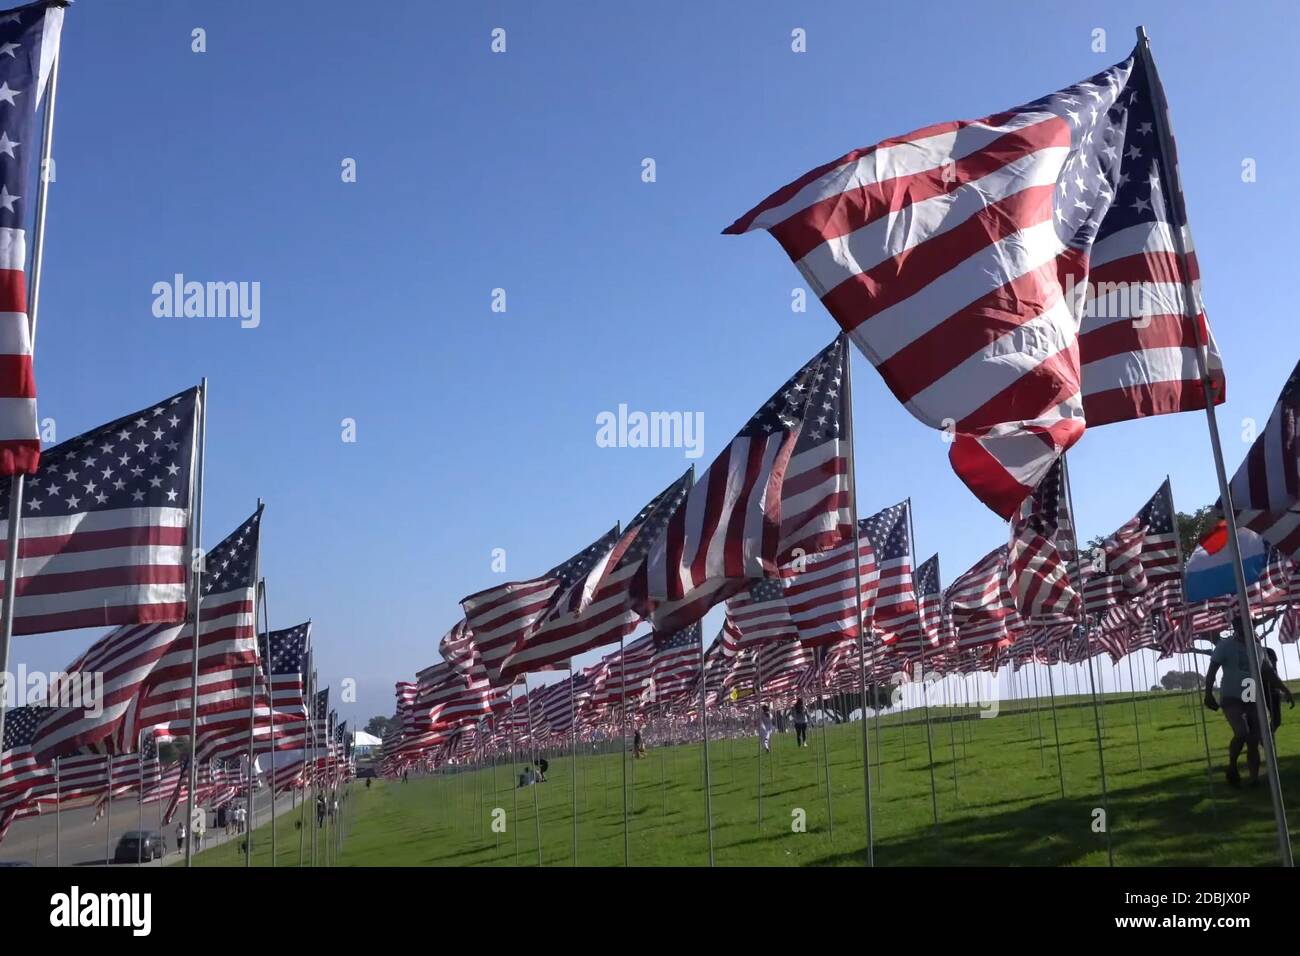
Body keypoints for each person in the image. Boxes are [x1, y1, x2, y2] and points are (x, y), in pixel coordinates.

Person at [1204, 616, 1266, 788]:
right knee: (1242, 732)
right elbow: (1212, 670)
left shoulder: (1258, 648)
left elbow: (1266, 672)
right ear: (1235, 627)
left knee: (1253, 739)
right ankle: (1232, 765)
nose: (1245, 627)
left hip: (1250, 693)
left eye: (1249, 624)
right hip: (1231, 695)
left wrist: (1283, 690)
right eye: (1240, 624)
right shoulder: (1225, 645)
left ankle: (1254, 778)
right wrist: (1208, 693)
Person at [1264, 647, 1295, 733]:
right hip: (1259, 690)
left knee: (1276, 720)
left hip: (1273, 690)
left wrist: (1282, 690)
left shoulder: (1269, 651)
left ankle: (1267, 739)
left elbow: (1273, 672)